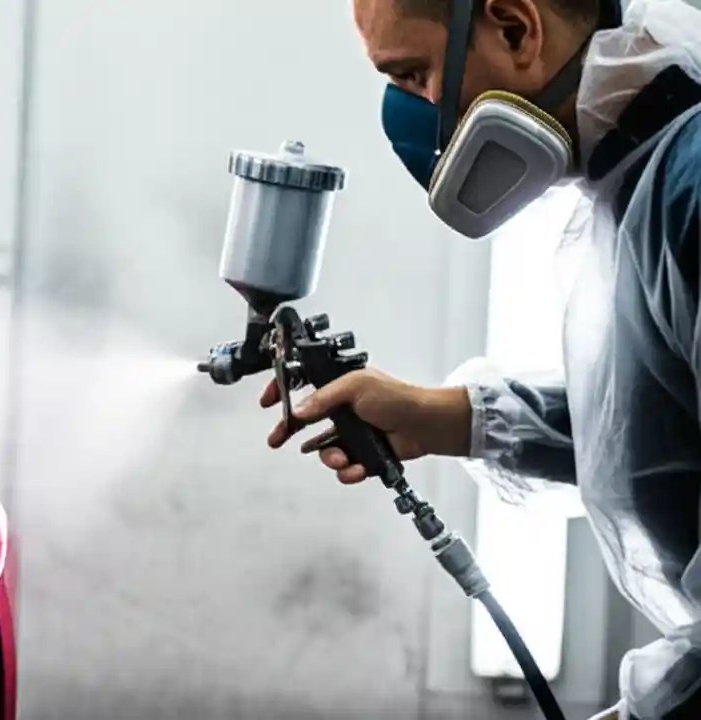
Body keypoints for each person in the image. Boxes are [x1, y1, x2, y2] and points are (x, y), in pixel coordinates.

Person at [264, 0, 701, 717]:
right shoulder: (640, 174)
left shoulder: (689, 187)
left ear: (515, 29)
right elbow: (667, 419)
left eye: (412, 76)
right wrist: (441, 418)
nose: (409, 115)